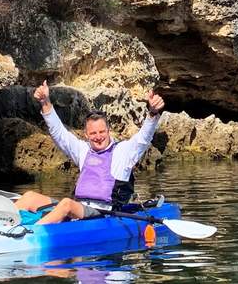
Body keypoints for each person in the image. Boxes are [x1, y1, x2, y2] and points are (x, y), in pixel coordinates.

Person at [14, 80, 164, 224]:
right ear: (86, 134)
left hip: (102, 213)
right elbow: (59, 133)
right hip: (79, 208)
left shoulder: (123, 152)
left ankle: (31, 233)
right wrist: (45, 102)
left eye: (102, 132)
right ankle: (1, 225)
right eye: (93, 133)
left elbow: (143, 138)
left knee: (66, 204)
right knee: (29, 197)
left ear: (108, 130)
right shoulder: (83, 150)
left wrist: (152, 113)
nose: (98, 137)